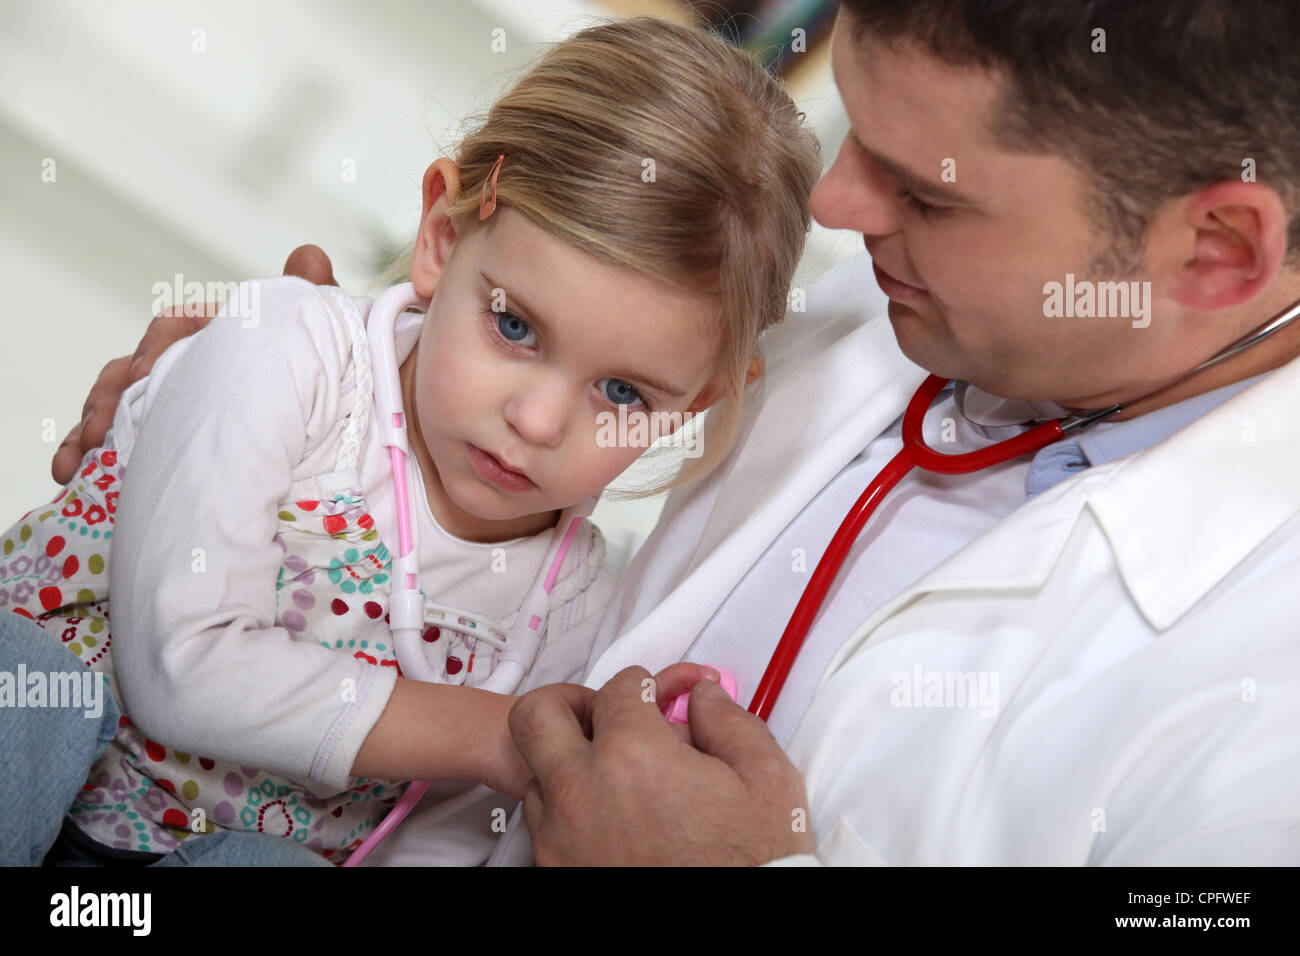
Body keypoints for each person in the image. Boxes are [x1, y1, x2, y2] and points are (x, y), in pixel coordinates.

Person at [57, 0, 1300, 867]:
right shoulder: (899, 292)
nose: (837, 204)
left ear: (1217, 250)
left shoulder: (1261, 716)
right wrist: (303, 384)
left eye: (926, 190)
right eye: (848, 126)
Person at [4, 16, 821, 866]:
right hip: (44, 762)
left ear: (697, 403)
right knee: (27, 690)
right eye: (513, 326)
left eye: (623, 392)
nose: (537, 422)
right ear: (441, 236)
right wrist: (502, 734)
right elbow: (181, 670)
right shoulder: (290, 350)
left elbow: (446, 840)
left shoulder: (575, 600)